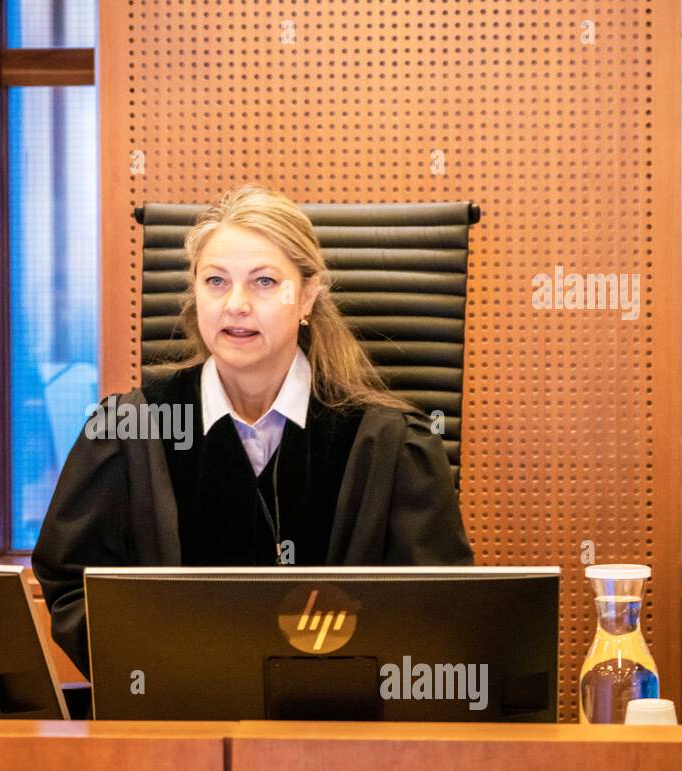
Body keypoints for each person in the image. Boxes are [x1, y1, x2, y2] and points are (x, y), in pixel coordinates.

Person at [32, 183, 474, 678]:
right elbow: (72, 583)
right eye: (216, 281)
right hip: (176, 729)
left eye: (264, 282)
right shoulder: (128, 431)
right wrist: (158, 669)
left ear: (308, 296)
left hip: (340, 735)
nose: (236, 304)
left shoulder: (390, 444)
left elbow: (438, 612)